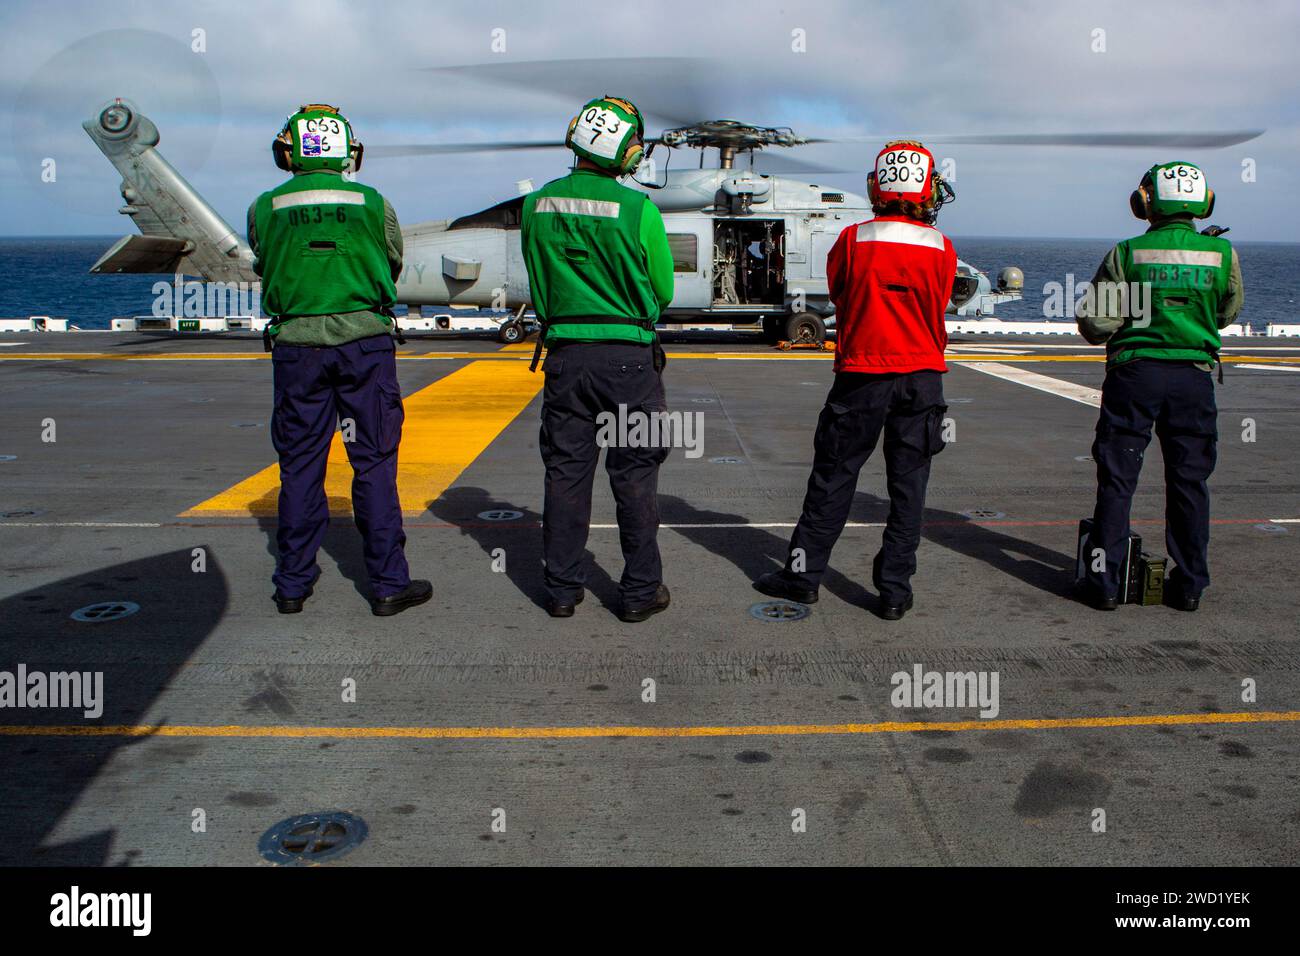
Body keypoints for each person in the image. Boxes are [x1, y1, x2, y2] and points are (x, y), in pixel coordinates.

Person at [755, 141, 956, 620]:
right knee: (909, 489)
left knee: (832, 479)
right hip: (922, 379)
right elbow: (941, 301)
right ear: (926, 190)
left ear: (876, 186)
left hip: (862, 377)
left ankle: (803, 578)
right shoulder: (943, 248)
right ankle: (894, 592)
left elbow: (841, 294)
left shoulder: (852, 240)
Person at [249, 103, 431, 616]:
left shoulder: (265, 206)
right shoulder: (373, 202)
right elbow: (392, 259)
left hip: (296, 347)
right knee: (373, 463)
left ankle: (292, 584)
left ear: (289, 152)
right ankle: (389, 585)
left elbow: (263, 260)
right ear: (349, 151)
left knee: (300, 465)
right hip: (364, 345)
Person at [520, 95, 675, 622]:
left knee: (565, 475)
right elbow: (665, 288)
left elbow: (539, 280)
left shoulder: (535, 206)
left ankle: (562, 590)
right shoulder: (638, 209)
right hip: (630, 362)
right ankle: (638, 593)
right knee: (635, 477)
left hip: (566, 358)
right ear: (620, 150)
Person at [1077, 162, 1243, 611]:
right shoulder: (1221, 254)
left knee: (1118, 479)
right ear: (1203, 202)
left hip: (1135, 377)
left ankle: (1105, 584)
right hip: (1193, 378)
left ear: (1146, 202)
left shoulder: (1129, 253)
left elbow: (1096, 325)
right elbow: (1225, 314)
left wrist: (1138, 313)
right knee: (1190, 481)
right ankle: (1189, 585)